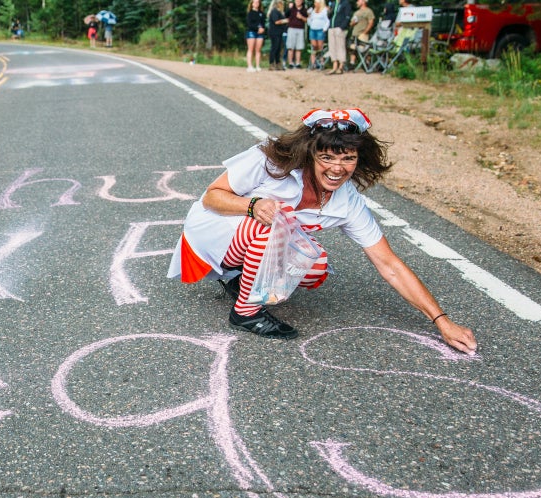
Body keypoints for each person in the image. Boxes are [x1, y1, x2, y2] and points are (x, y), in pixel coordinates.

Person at [167, 108, 477, 354]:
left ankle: (237, 279)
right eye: (326, 157)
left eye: (348, 159)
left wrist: (442, 321)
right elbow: (211, 196)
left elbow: (389, 264)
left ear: (360, 159)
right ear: (310, 154)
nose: (337, 168)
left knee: (314, 266)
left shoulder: (348, 202)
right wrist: (252, 205)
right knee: (277, 222)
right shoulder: (270, 162)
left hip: (252, 238)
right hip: (212, 231)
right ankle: (245, 313)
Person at [348, 0, 375, 70]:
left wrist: (365, 32)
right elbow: (351, 24)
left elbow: (371, 22)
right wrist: (353, 23)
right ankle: (352, 63)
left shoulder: (368, 11)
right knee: (352, 48)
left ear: (363, 1)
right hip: (355, 34)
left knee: (363, 48)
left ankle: (367, 63)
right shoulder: (356, 12)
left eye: (358, 1)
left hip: (362, 34)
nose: (356, 2)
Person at [327, 0, 352, 73]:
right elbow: (329, 16)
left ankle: (341, 65)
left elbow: (347, 16)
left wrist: (342, 27)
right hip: (331, 27)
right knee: (332, 46)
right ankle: (334, 65)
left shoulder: (345, 3)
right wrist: (329, 11)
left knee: (340, 46)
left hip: (339, 27)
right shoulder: (334, 3)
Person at [285, 0, 309, 68]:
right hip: (291, 28)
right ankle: (290, 63)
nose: (298, 1)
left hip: (300, 29)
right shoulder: (290, 9)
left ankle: (298, 63)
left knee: (299, 47)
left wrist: (301, 17)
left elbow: (307, 20)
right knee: (290, 47)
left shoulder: (304, 10)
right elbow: (286, 16)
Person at [245, 0, 268, 72]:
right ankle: (249, 65)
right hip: (252, 32)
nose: (256, 4)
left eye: (257, 2)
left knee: (258, 50)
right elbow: (249, 24)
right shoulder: (250, 13)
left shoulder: (262, 14)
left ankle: (258, 65)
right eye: (255, 2)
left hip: (260, 33)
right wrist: (257, 28)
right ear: (252, 4)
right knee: (250, 49)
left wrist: (263, 29)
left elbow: (263, 23)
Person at [307, 0, 331, 69]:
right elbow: (309, 21)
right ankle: (313, 63)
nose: (314, 4)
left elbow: (327, 21)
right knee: (313, 46)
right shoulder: (313, 11)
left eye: (316, 2)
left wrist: (324, 29)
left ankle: (321, 62)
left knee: (320, 47)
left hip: (320, 30)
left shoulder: (324, 11)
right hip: (313, 29)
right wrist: (309, 16)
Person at [267, 0, 290, 69]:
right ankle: (271, 63)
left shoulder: (280, 12)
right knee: (274, 47)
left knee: (279, 48)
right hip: (274, 32)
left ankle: (277, 62)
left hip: (279, 32)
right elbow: (276, 22)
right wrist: (285, 20)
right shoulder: (274, 11)